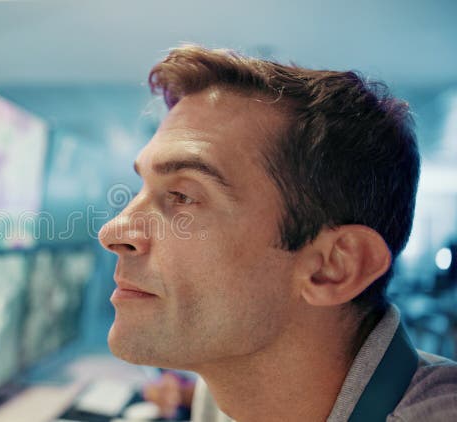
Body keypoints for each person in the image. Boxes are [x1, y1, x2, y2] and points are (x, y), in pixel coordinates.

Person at [98, 45, 457, 421]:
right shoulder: (231, 389)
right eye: (143, 188)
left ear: (334, 266)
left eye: (183, 196)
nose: (113, 232)